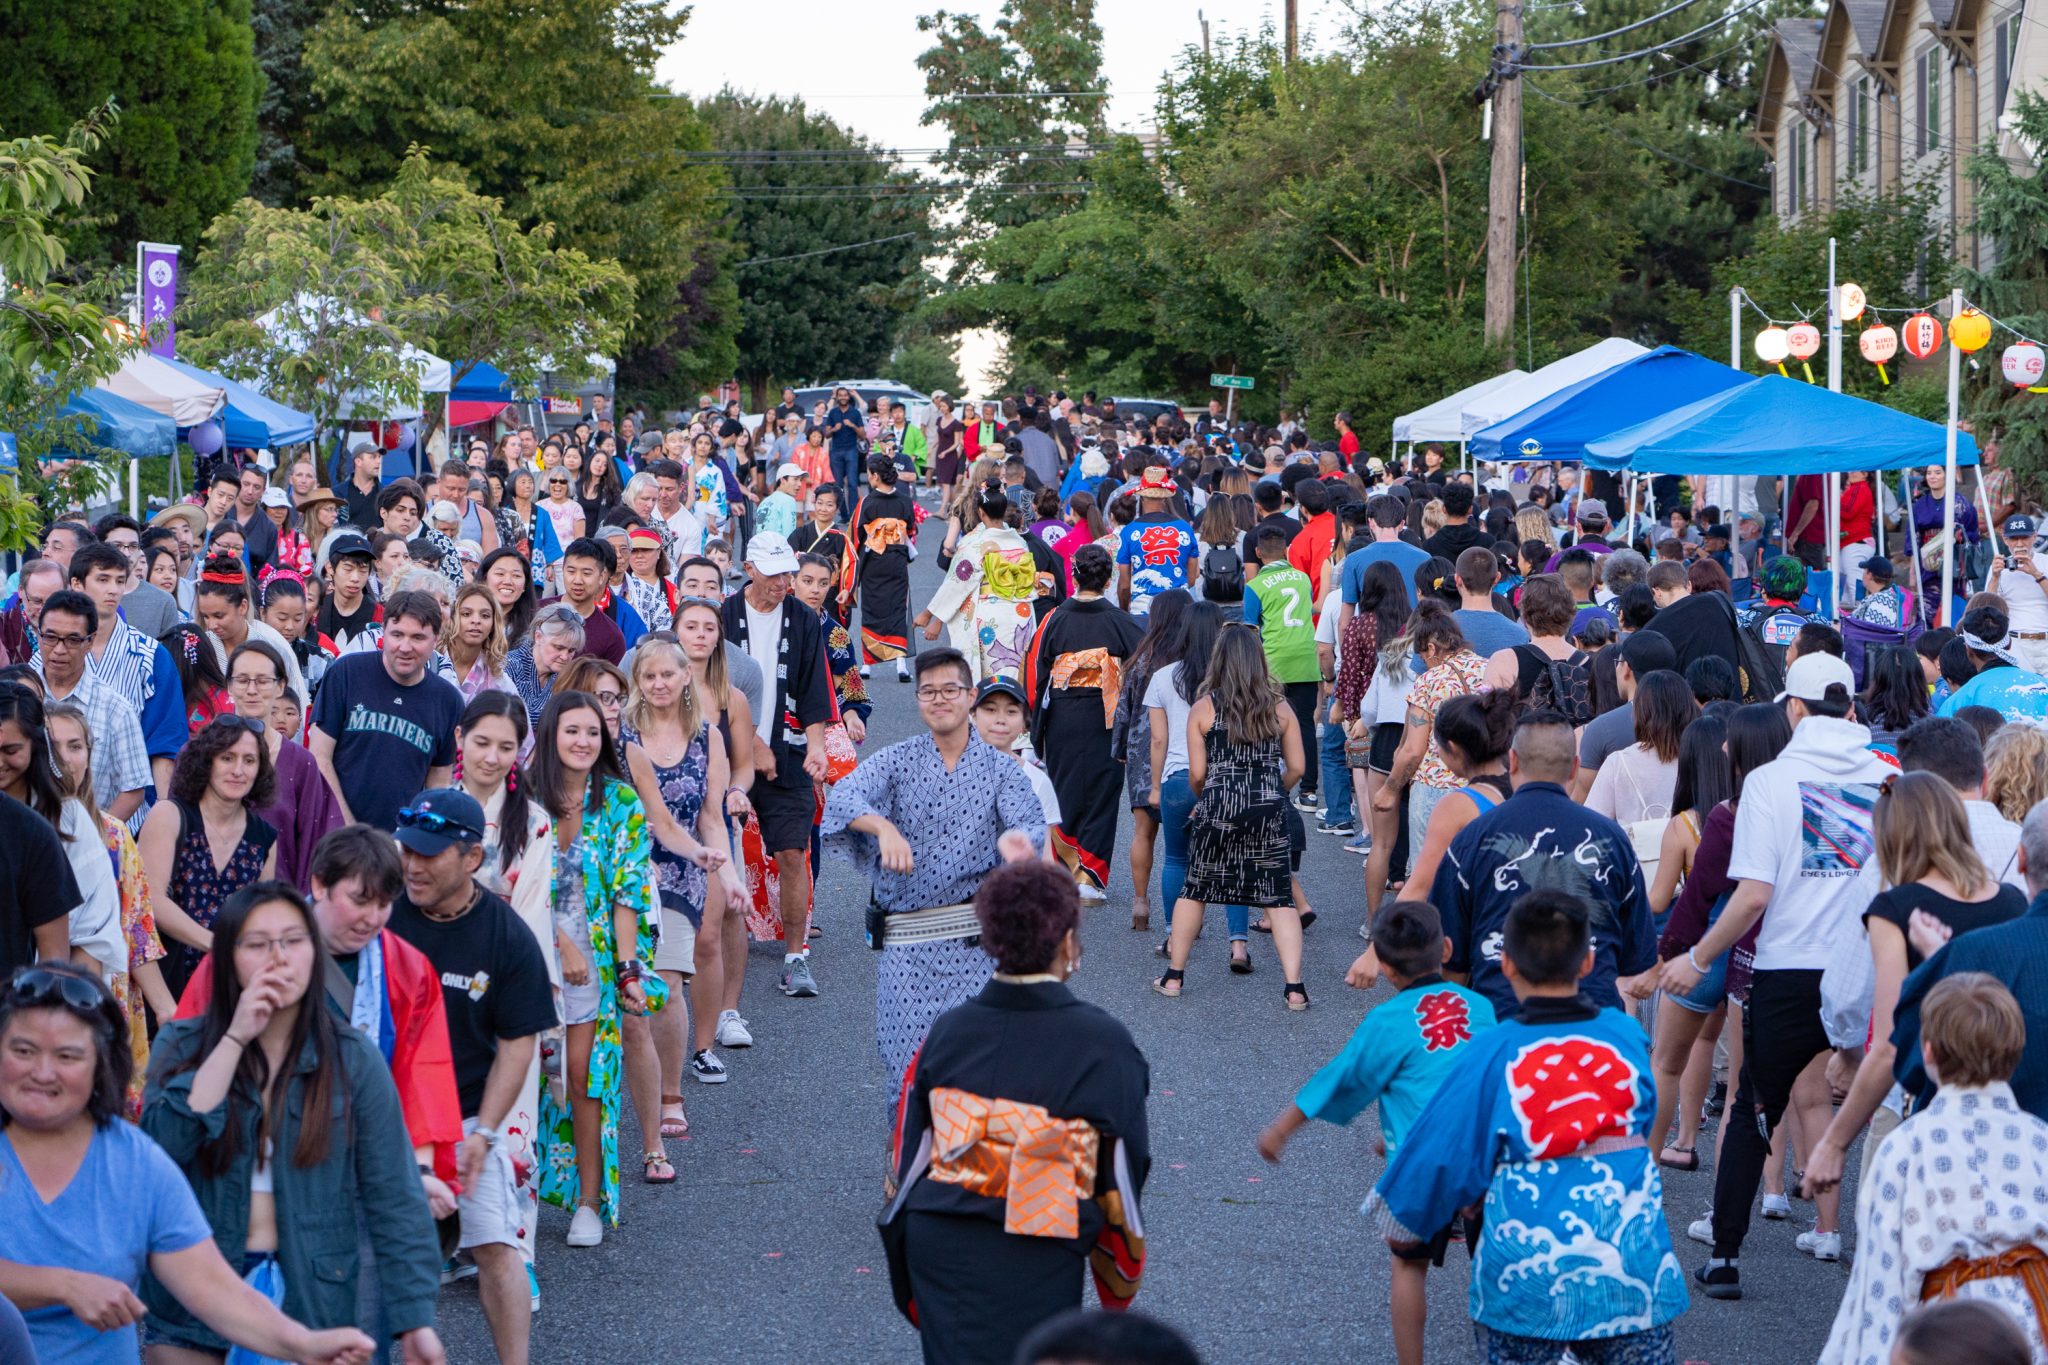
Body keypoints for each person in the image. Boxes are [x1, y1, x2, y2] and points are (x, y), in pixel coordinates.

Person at [1658, 649, 1894, 1299]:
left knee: (1753, 1107)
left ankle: (1726, 1255)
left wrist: (1698, 956)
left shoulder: (1769, 781)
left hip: (1786, 969)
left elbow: (1753, 895)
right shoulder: (1887, 778)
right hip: (1875, 964)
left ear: (1793, 709)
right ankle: (1881, 1262)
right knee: (1885, 1105)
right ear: (1850, 708)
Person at [0, 963, 379, 1365]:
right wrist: (64, 1286)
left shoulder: (134, 1162)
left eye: (67, 1056)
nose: (42, 1072)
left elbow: (210, 1287)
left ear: (101, 1066)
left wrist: (303, 1344)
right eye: (23, 1051)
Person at [1371, 889, 1685, 1362]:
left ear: (1506, 964)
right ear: (1587, 963)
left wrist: (1407, 1219)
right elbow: (1640, 1117)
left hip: (1525, 1277)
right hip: (1633, 1271)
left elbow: (1444, 1150)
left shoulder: (1490, 1050)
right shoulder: (1626, 1036)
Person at [140, 881, 444, 1363]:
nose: (278, 958)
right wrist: (235, 1038)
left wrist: (416, 1321)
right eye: (258, 944)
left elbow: (395, 1196)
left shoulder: (352, 1058)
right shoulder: (181, 1043)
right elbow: (160, 1153)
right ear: (227, 959)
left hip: (313, 1295)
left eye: (294, 941)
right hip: (196, 1301)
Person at [880, 860, 1149, 1365]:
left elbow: (910, 1152)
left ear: (990, 940)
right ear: (1067, 942)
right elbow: (1123, 1168)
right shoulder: (1104, 1044)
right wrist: (1117, 1275)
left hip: (939, 1230)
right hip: (1040, 1230)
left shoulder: (947, 1032)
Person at [1260, 901, 1496, 1365]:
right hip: (1483, 1157)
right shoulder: (1481, 1008)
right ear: (1447, 949)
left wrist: (1280, 1130)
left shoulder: (1386, 1021)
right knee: (1492, 1261)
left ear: (1385, 968)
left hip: (1419, 1165)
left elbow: (1340, 1079)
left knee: (1409, 1266)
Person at [1800, 772, 2027, 1244]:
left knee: (1897, 1251)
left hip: (1926, 1105)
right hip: (2006, 1108)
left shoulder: (1897, 908)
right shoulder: (2010, 900)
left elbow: (1888, 1044)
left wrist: (1834, 1142)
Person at [821, 647, 1047, 1104]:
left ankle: (969, 1150)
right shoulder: (898, 759)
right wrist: (883, 827)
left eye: (950, 690)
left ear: (969, 697)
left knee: (977, 1069)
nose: (939, 699)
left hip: (976, 944)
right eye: (928, 692)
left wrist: (1018, 845)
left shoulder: (1002, 769)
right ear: (918, 699)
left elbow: (1028, 823)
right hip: (906, 943)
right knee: (908, 1068)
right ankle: (907, 1149)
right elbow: (843, 795)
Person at [1818, 975, 2048, 1365]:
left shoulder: (1906, 1148)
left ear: (1928, 1052)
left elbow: (1881, 1286)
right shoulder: (2041, 1142)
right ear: (2016, 1052)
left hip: (1942, 1342)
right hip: (2033, 1333)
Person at [527, 690, 664, 1243]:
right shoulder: (524, 796)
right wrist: (560, 944)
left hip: (595, 960)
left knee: (583, 1074)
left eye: (592, 732)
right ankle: (507, 1203)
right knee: (522, 1076)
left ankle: (588, 1201)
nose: (583, 741)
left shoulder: (620, 800)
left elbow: (630, 890)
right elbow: (513, 882)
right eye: (572, 730)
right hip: (528, 954)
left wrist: (628, 968)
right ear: (551, 735)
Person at [1434, 709, 1657, 1019]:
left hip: (1500, 1018)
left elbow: (1450, 959)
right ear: (1575, 767)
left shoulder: (1473, 838)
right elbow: (1636, 957)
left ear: (1512, 761)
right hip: (1593, 1021)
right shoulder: (1612, 838)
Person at [1151, 624, 1309, 1009]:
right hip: (1268, 808)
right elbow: (1298, 767)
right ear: (1259, 660)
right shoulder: (1280, 707)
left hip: (1218, 805)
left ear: (1219, 661)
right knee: (1278, 897)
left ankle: (1174, 976)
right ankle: (1294, 988)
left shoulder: (1204, 708)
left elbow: (1197, 774)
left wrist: (1210, 797)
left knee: (1196, 889)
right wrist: (1273, 789)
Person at [46, 702, 173, 1116]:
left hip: (109, 994)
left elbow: (136, 930)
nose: (66, 758)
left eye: (76, 746)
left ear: (90, 754)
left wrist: (165, 1008)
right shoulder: (25, 830)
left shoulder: (114, 835)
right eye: (54, 746)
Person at [619, 635, 732, 1100]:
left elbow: (712, 817)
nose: (659, 683)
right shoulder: (620, 734)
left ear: (687, 675)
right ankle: (632, 1090)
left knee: (665, 984)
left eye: (668, 674)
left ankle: (670, 1095)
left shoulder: (708, 736)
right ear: (637, 682)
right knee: (627, 986)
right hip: (624, 869)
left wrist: (729, 878)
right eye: (649, 676)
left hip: (683, 873)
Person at [721, 532, 833, 997]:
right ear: (748, 570)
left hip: (787, 752)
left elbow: (812, 686)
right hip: (727, 755)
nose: (782, 583)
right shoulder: (723, 615)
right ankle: (710, 950)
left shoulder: (802, 618)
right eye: (772, 574)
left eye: (787, 573)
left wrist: (817, 747)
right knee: (717, 852)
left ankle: (794, 956)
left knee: (791, 853)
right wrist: (752, 746)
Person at [1025, 546, 1145, 902]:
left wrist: (1034, 724)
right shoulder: (1122, 622)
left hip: (1062, 714)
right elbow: (1142, 671)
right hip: (1107, 717)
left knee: (1063, 789)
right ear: (1108, 581)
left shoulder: (1054, 619)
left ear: (1074, 576)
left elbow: (1035, 673)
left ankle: (1062, 873)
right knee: (1102, 793)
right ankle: (1090, 879)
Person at [138, 714, 280, 1002]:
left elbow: (260, 918)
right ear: (207, 762)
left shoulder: (264, 838)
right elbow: (150, 901)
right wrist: (216, 944)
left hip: (228, 991)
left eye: (249, 761)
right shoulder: (169, 815)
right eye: (227, 758)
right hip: (164, 986)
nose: (238, 770)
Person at [309, 591, 463, 833]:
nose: (405, 647)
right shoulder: (346, 673)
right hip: (336, 835)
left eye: (418, 637)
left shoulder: (447, 701)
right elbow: (319, 757)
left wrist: (415, 839)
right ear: (383, 631)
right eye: (397, 635)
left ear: (436, 638)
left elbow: (437, 786)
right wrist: (347, 828)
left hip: (400, 842)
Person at [1383, 603, 1488, 879]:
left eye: (1422, 655)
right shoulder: (1490, 670)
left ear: (1430, 648)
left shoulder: (1430, 680)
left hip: (1434, 788)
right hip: (1484, 788)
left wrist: (1390, 789)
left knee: (1428, 875)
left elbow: (1414, 750)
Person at [226, 641, 344, 889]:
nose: (251, 690)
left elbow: (317, 841)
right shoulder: (199, 753)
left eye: (262, 681)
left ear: (280, 686)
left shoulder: (301, 764)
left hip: (280, 900)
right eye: (242, 680)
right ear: (229, 686)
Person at [917, 481, 1037, 684]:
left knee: (990, 677)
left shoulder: (974, 544)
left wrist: (929, 614)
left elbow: (956, 585)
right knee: (1016, 675)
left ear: (981, 512)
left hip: (992, 615)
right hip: (1022, 613)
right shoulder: (1019, 542)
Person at [1242, 526, 1321, 811]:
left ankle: (1275, 785)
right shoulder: (1302, 578)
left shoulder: (1255, 586)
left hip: (1274, 663)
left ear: (1258, 553)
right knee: (1305, 724)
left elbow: (1250, 629)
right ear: (1286, 550)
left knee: (1269, 723)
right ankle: (1309, 791)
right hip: (1305, 659)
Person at [1584, 670, 1696, 826]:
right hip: (1686, 841)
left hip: (1631, 842)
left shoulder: (1618, 762)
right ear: (1688, 710)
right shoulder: (1699, 759)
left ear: (1641, 711)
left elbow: (1593, 822)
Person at [848, 455, 920, 679]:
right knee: (898, 609)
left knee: (871, 610)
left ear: (876, 476)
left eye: (870, 474)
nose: (868, 478)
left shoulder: (867, 502)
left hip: (873, 562)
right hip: (897, 560)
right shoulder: (905, 501)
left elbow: (856, 534)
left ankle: (868, 664)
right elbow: (911, 530)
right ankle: (901, 664)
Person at [1114, 468, 1197, 618]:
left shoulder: (1128, 532)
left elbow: (1124, 584)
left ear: (1142, 497)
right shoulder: (1185, 529)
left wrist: (1124, 610)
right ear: (1164, 498)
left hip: (1142, 612)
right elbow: (1191, 579)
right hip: (1180, 611)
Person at [788, 486, 851, 625]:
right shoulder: (800, 534)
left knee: (828, 633)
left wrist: (847, 590)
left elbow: (851, 568)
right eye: (820, 503)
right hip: (802, 594)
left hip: (830, 596)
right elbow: (787, 563)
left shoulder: (842, 538)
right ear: (814, 502)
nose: (823, 509)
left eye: (829, 505)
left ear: (837, 508)